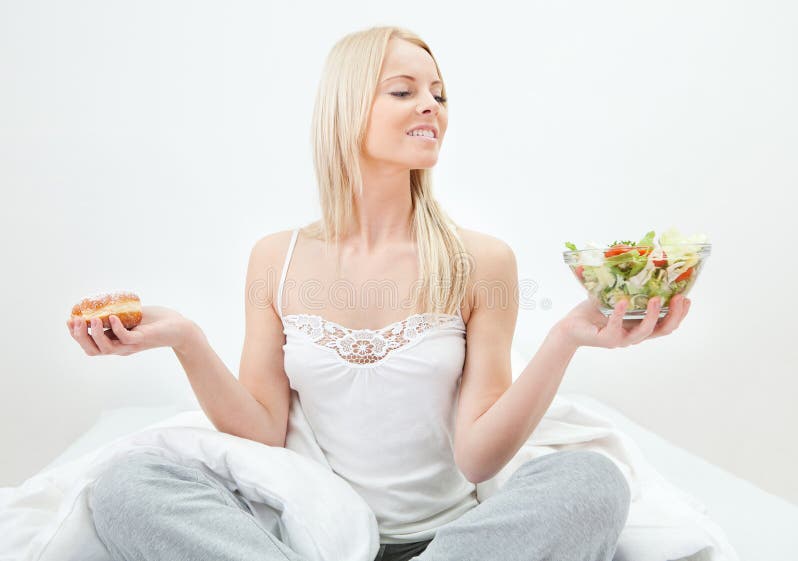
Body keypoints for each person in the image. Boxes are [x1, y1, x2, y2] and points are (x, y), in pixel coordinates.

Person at [66, 25, 691, 561]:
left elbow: (478, 460)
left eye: (439, 94)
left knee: (592, 480)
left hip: (456, 537)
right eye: (404, 91)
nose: (432, 107)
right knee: (127, 485)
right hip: (312, 533)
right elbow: (260, 431)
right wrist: (185, 338)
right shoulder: (275, 260)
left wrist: (566, 339)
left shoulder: (481, 260)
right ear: (346, 107)